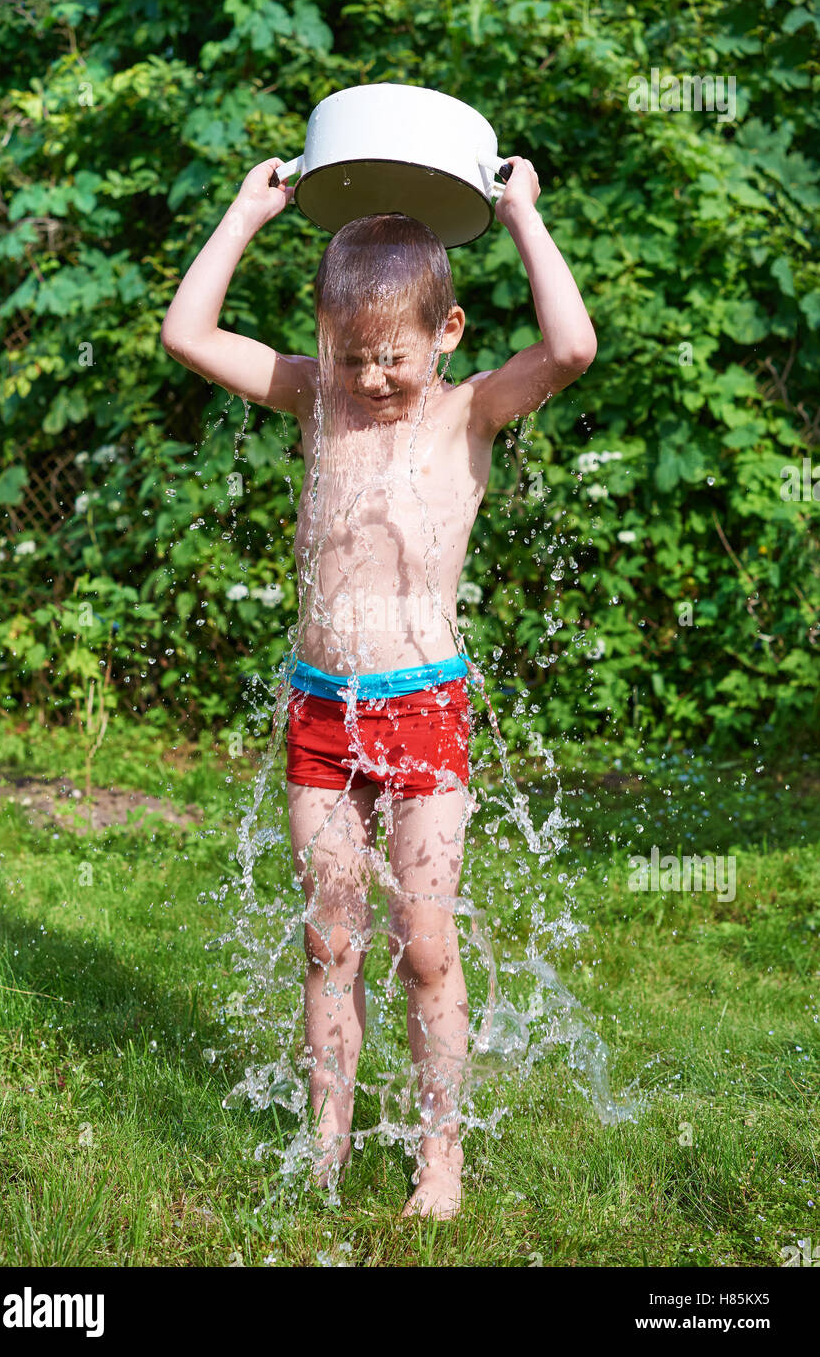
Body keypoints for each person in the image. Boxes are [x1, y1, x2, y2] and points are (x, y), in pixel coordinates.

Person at [160, 153, 597, 1219]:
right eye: (351, 356)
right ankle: (327, 1141)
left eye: (393, 357)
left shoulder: (470, 413)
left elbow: (574, 345)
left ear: (446, 336)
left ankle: (440, 1158)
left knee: (427, 946)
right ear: (324, 341)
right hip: (321, 708)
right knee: (331, 935)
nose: (373, 379)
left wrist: (520, 214)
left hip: (423, 710)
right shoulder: (317, 400)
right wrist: (247, 211)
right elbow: (187, 335)